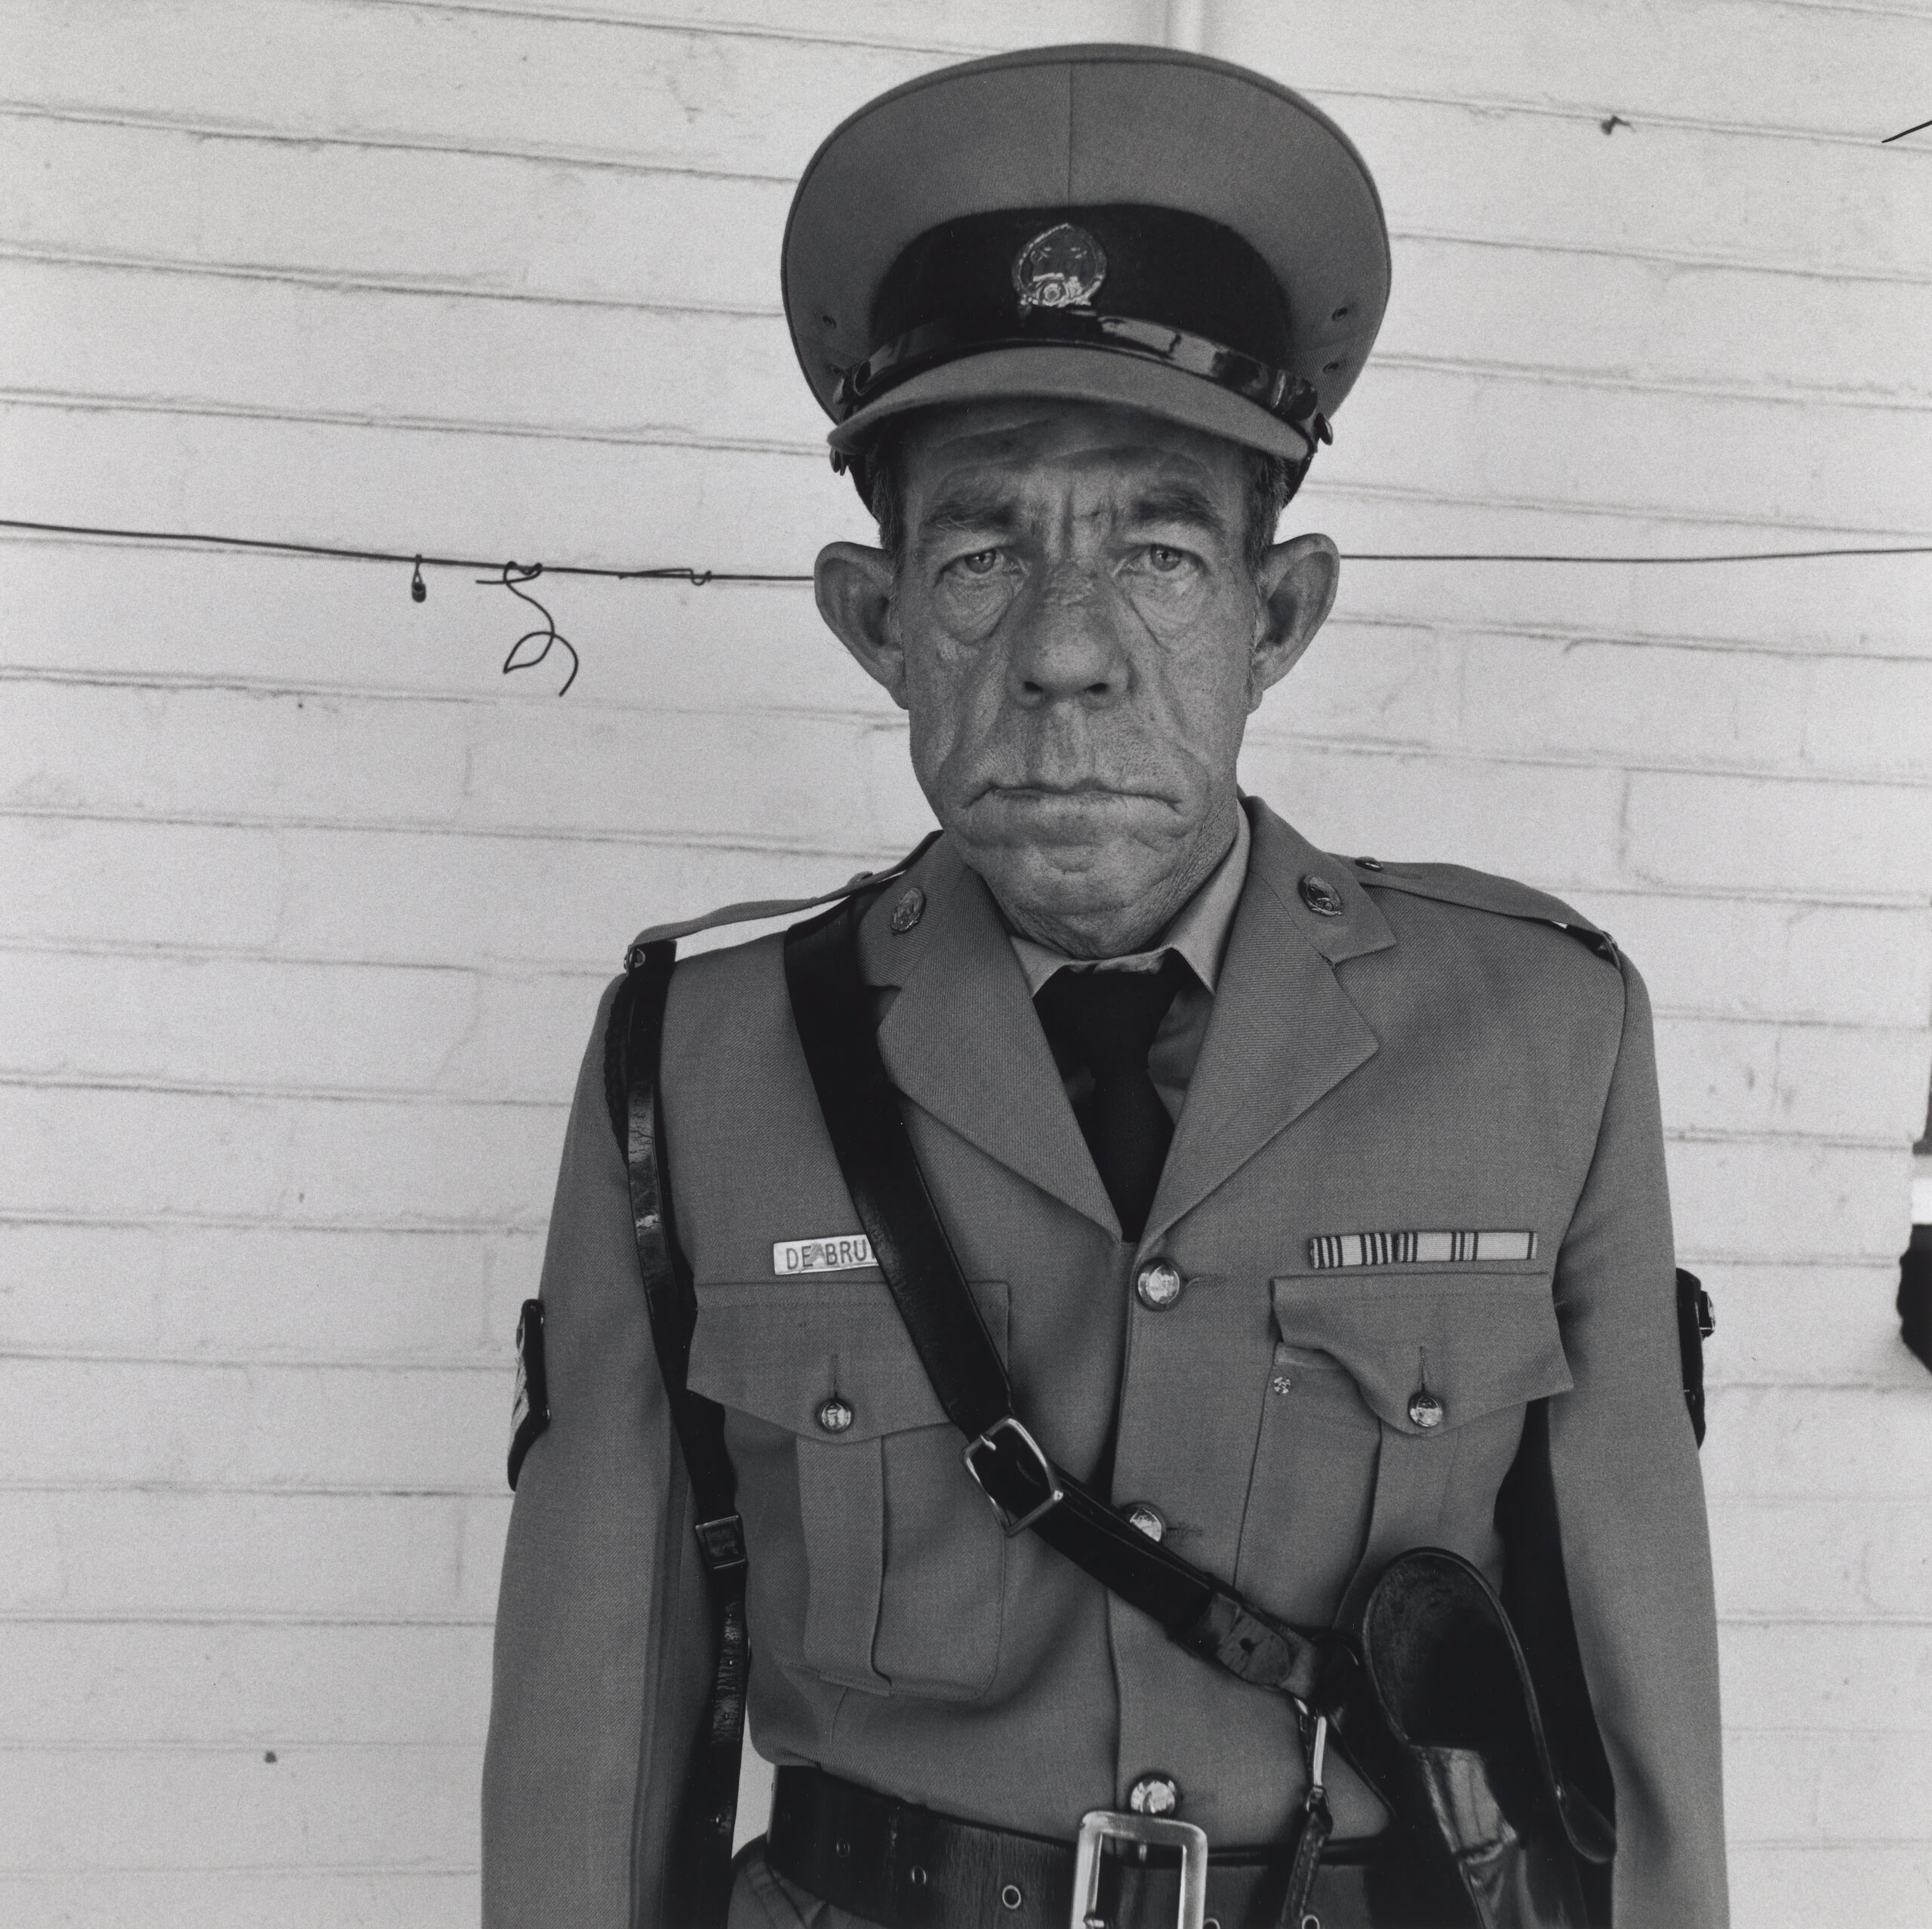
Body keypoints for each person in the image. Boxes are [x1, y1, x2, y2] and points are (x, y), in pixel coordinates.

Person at [482, 42, 1726, 1929]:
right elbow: (600, 1697)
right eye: (980, 551)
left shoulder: (1541, 1041)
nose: (1066, 652)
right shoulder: (703, 1061)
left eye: (1155, 550)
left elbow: (1628, 1718)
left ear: (1275, 616)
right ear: (877, 621)